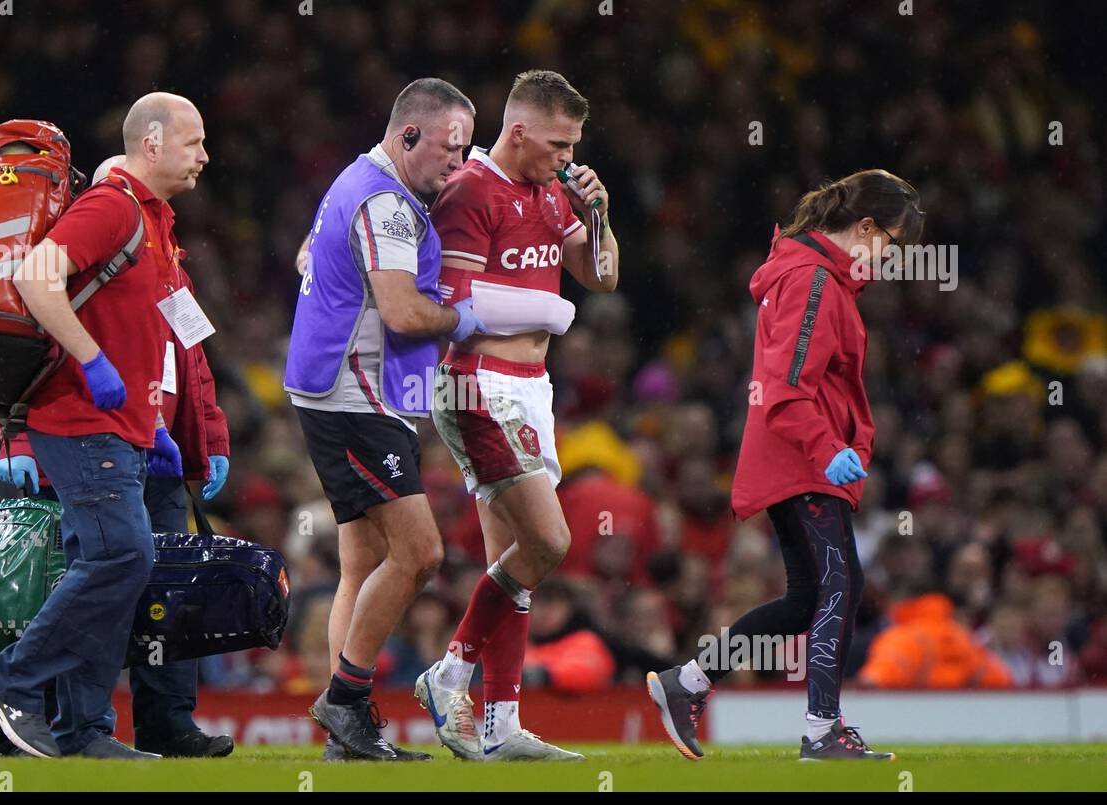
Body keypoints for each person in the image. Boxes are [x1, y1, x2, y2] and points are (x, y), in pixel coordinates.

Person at [646, 169, 924, 761]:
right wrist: (829, 451)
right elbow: (784, 387)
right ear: (867, 227)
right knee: (841, 583)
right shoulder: (813, 280)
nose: (891, 259)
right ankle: (822, 729)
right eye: (892, 245)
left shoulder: (812, 277)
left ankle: (687, 683)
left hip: (797, 452)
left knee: (807, 598)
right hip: (801, 455)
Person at [0, 93, 208, 760]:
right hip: (77, 419)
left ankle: (81, 732)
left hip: (121, 426)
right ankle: (10, 682)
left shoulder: (155, 221)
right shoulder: (112, 207)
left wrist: (154, 425)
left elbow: (146, 337)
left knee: (116, 564)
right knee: (122, 556)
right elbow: (37, 276)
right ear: (153, 144)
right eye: (193, 143)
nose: (204, 156)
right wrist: (90, 359)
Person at [412, 70, 620, 761]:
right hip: (478, 385)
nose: (568, 157)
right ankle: (450, 673)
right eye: (559, 143)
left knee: (518, 561)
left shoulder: (551, 192)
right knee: (548, 545)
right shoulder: (470, 192)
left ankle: (501, 725)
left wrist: (598, 217)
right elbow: (457, 307)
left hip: (532, 387)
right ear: (520, 129)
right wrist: (550, 311)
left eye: (574, 145)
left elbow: (601, 276)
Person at [284, 77, 482, 761]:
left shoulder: (359, 178)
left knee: (363, 561)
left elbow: (310, 257)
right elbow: (402, 314)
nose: (457, 165)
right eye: (449, 151)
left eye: (467, 151)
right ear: (407, 137)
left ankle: (347, 733)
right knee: (421, 552)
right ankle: (344, 700)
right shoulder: (387, 206)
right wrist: (464, 317)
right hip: (355, 397)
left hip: (340, 387)